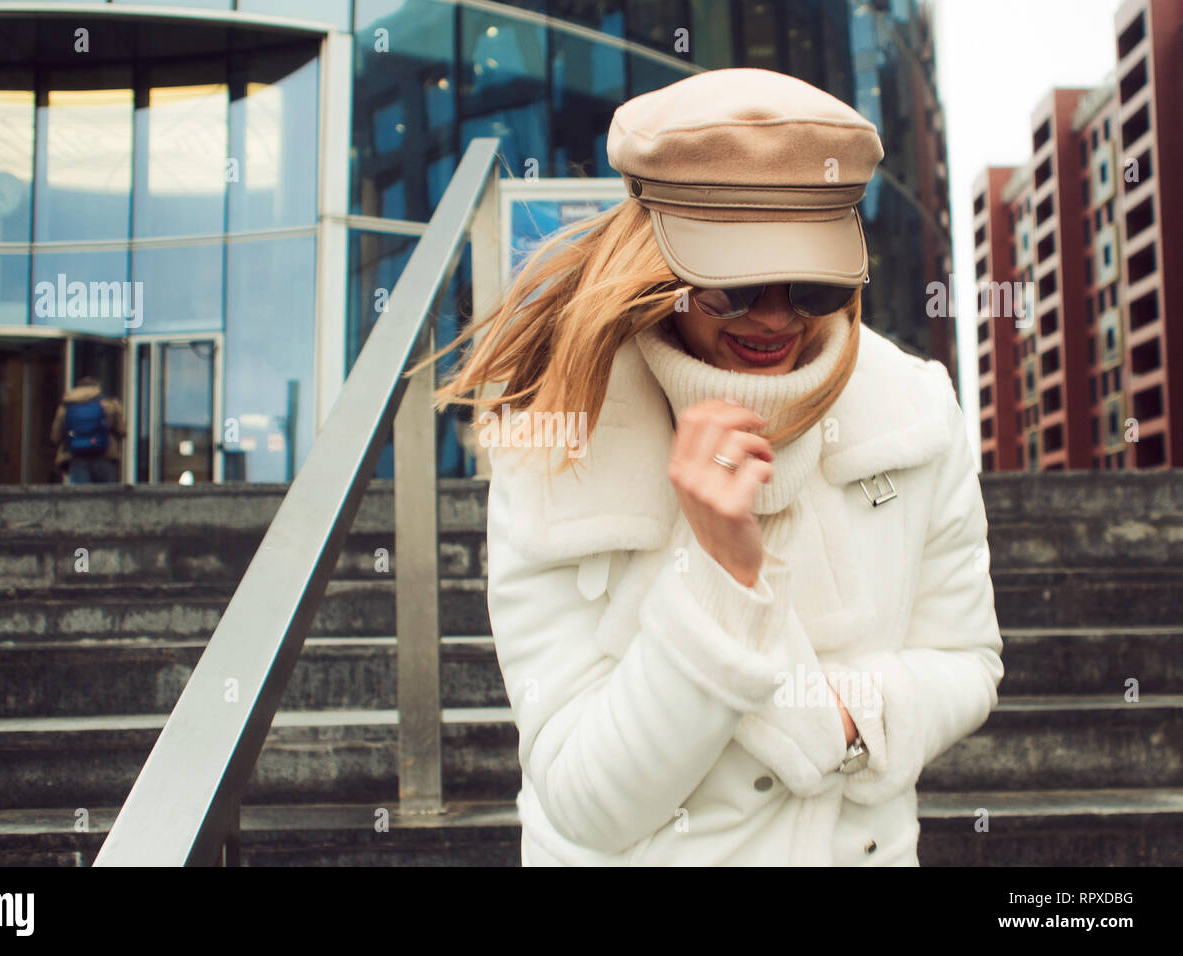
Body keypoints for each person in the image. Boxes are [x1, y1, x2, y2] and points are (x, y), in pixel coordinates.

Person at [421, 68, 1004, 866]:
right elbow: (585, 803)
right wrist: (721, 583)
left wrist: (839, 716)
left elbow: (967, 661)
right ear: (657, 264)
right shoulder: (557, 436)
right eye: (731, 285)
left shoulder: (911, 409)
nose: (774, 317)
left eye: (811, 283)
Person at [50, 375, 125, 484]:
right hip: (104, 456)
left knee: (82, 496)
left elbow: (55, 436)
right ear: (96, 387)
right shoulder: (108, 403)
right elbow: (122, 431)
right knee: (106, 497)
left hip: (76, 457)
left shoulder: (66, 407)